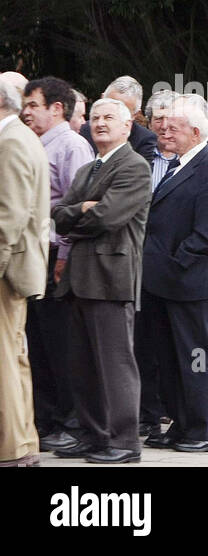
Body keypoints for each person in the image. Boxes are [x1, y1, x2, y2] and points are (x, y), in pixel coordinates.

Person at [48, 98, 150, 463]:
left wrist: (79, 212)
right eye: (94, 117)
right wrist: (80, 210)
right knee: (83, 365)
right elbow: (57, 214)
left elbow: (106, 218)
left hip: (111, 279)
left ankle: (124, 442)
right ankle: (95, 435)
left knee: (115, 365)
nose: (100, 123)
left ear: (127, 126)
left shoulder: (134, 166)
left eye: (110, 117)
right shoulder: (89, 168)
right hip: (78, 278)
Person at [140, 94, 208, 453]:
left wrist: (175, 260)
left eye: (174, 127)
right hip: (168, 282)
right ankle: (183, 422)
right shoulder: (184, 163)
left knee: (197, 357)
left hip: (191, 281)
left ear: (195, 131)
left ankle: (202, 429)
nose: (166, 131)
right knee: (172, 358)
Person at [19, 76, 94, 452]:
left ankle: (72, 422)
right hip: (33, 254)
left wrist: (63, 257)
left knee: (61, 343)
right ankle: (46, 420)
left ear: (57, 108)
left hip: (56, 257)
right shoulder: (32, 143)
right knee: (37, 341)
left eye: (33, 105)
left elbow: (76, 207)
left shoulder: (71, 146)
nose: (26, 111)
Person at [0, 79, 50, 467]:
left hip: (7, 269)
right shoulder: (21, 137)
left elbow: (10, 216)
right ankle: (23, 443)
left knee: (6, 358)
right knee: (14, 357)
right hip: (15, 266)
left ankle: (15, 448)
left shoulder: (12, 140)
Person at [77, 76, 157, 160]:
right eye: (108, 105)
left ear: (134, 115)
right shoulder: (82, 130)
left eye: (122, 111)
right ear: (101, 98)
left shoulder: (144, 140)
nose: (102, 123)